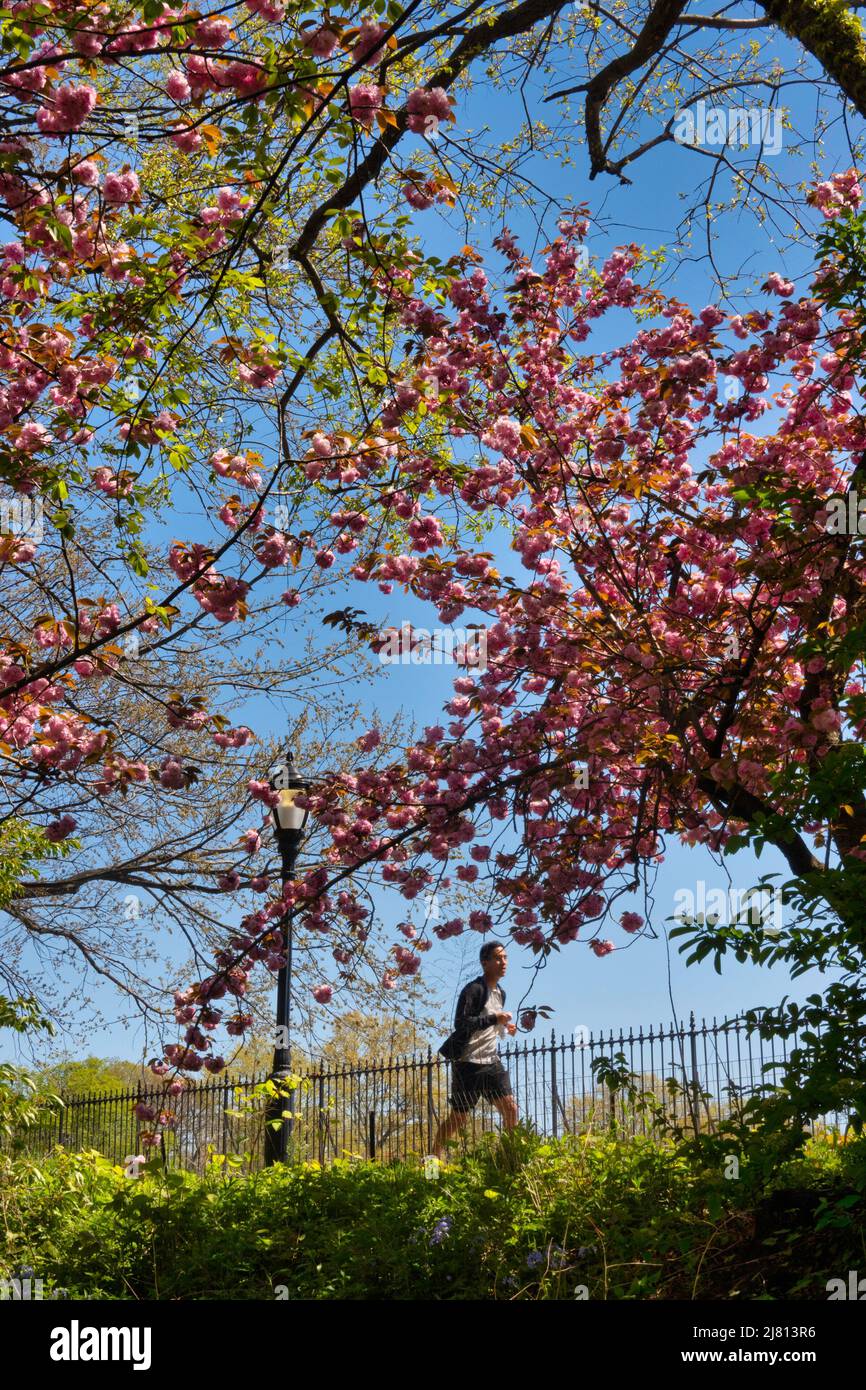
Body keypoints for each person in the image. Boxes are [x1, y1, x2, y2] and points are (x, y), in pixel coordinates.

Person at [432, 942, 519, 1158]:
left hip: (491, 1063)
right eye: (498, 958)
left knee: (511, 1110)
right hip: (467, 1063)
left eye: (505, 957)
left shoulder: (501, 993)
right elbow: (461, 1023)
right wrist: (494, 1018)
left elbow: (489, 1026)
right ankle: (431, 1165)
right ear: (485, 962)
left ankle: (510, 1159)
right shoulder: (474, 989)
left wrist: (505, 1028)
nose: (503, 962)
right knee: (458, 1118)